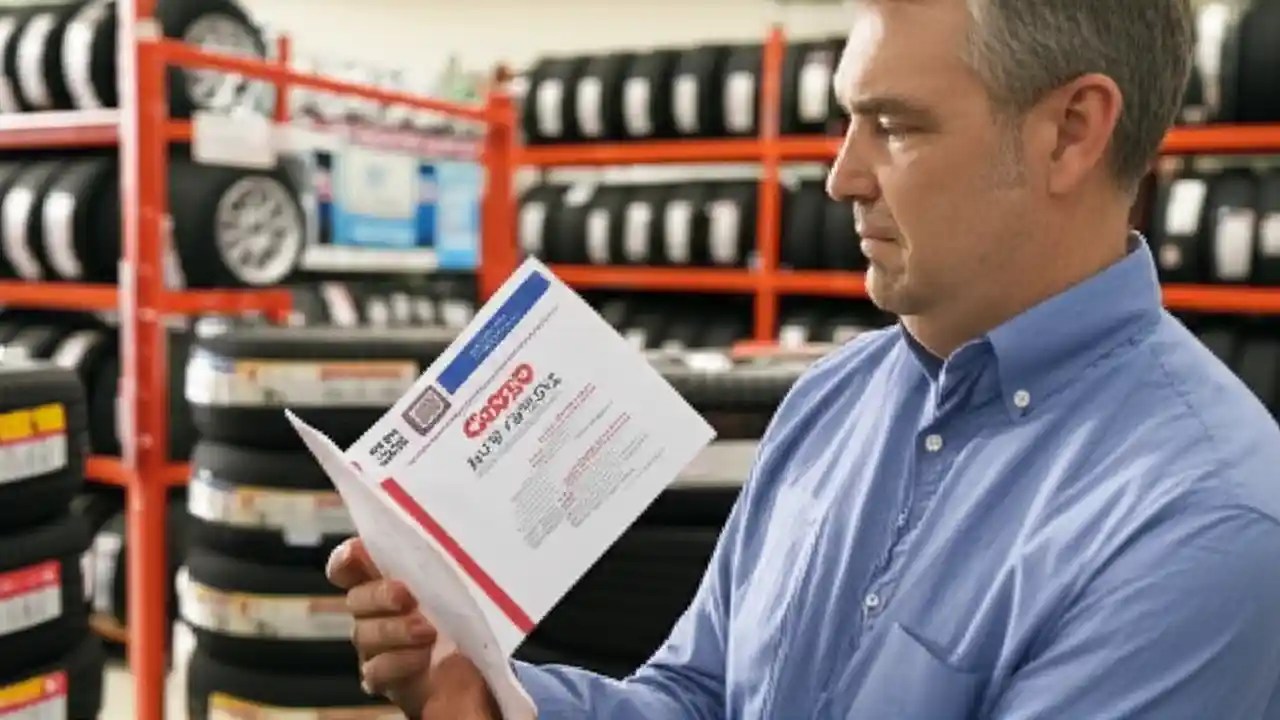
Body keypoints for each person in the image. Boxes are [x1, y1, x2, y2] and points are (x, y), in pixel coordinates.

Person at [327, 0, 1280, 716]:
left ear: (1072, 131)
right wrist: (499, 700)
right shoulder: (832, 401)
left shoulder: (1203, 522)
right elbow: (700, 696)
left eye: (897, 126)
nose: (841, 175)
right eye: (847, 121)